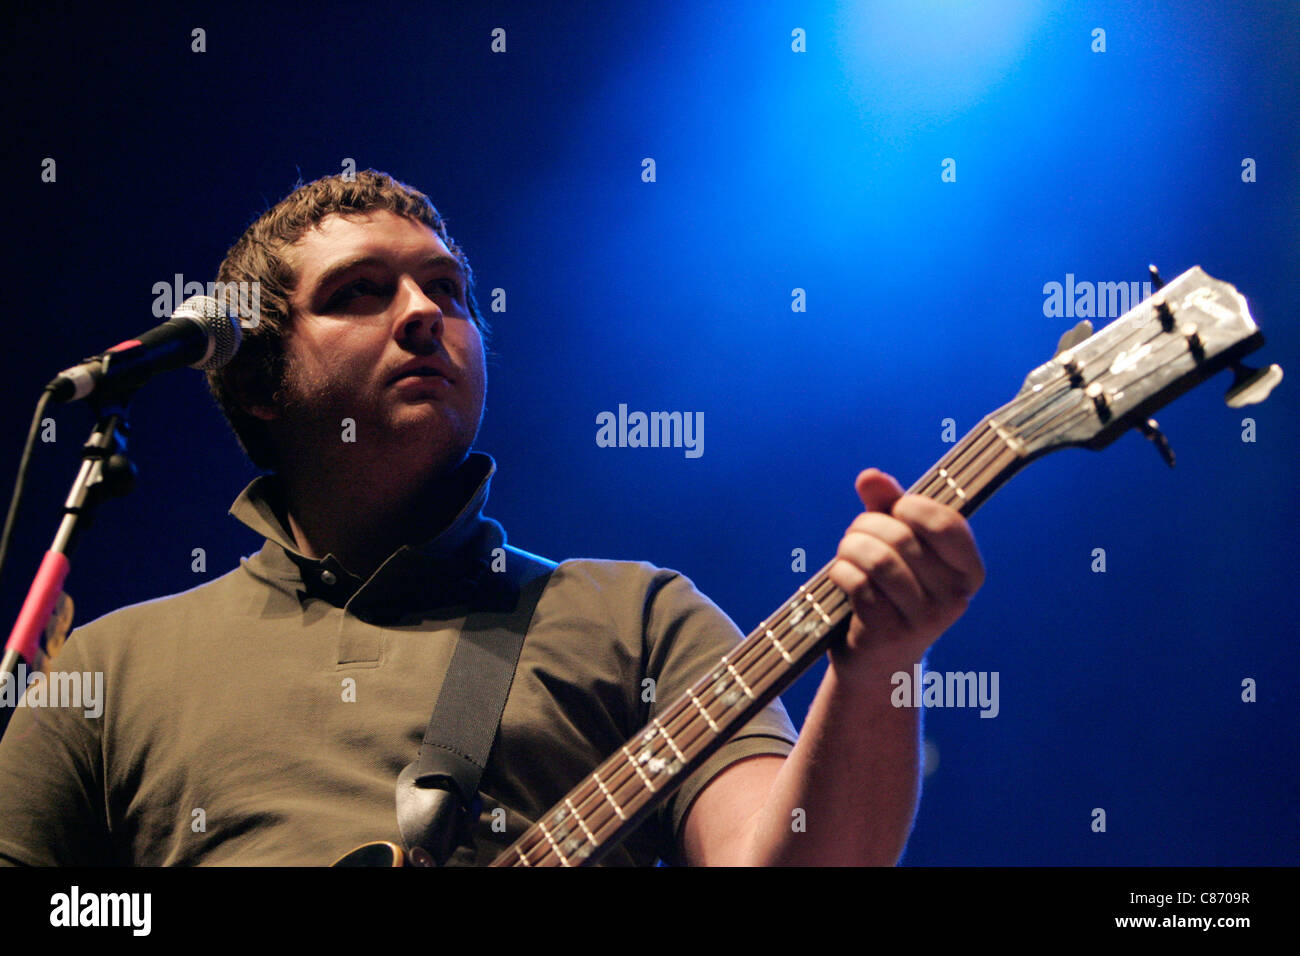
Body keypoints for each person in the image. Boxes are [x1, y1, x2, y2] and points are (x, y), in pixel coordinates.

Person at [0, 170, 984, 866]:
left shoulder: (637, 617)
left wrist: (879, 669)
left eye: (446, 289)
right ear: (258, 381)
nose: (425, 313)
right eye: (360, 293)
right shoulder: (106, 668)